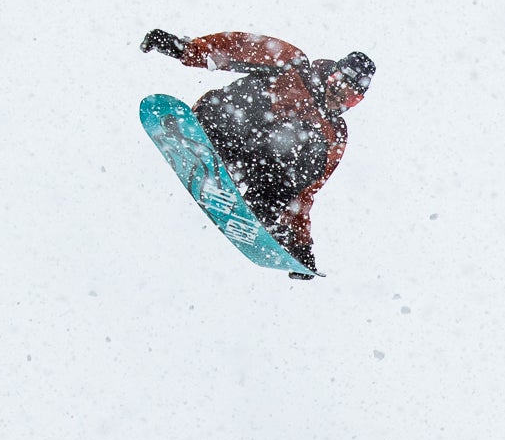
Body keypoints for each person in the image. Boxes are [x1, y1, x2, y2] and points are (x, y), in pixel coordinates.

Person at [141, 29, 374, 277]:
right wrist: (181, 48)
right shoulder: (293, 64)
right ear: (333, 75)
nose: (341, 98)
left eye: (351, 99)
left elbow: (304, 193)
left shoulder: (334, 133)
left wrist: (299, 245)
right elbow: (235, 47)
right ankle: (201, 138)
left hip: (250, 165)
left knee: (312, 150)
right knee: (282, 122)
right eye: (340, 86)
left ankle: (257, 212)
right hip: (223, 128)